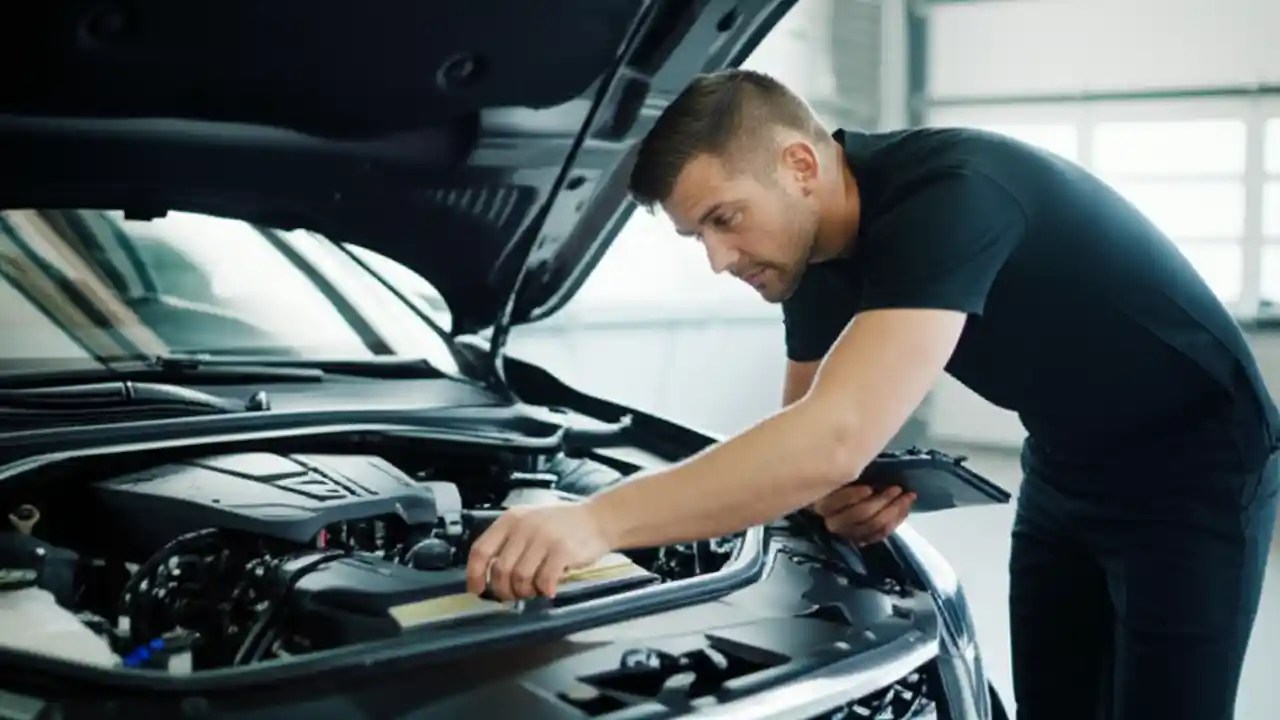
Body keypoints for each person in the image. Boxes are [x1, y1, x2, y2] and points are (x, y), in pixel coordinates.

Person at [464, 69, 1280, 719]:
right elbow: (807, 448)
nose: (717, 258)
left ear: (801, 165)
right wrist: (838, 498)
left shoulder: (956, 194)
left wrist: (596, 520)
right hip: (1066, 466)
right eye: (696, 236)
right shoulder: (810, 263)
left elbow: (830, 438)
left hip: (1200, 468)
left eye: (724, 217)